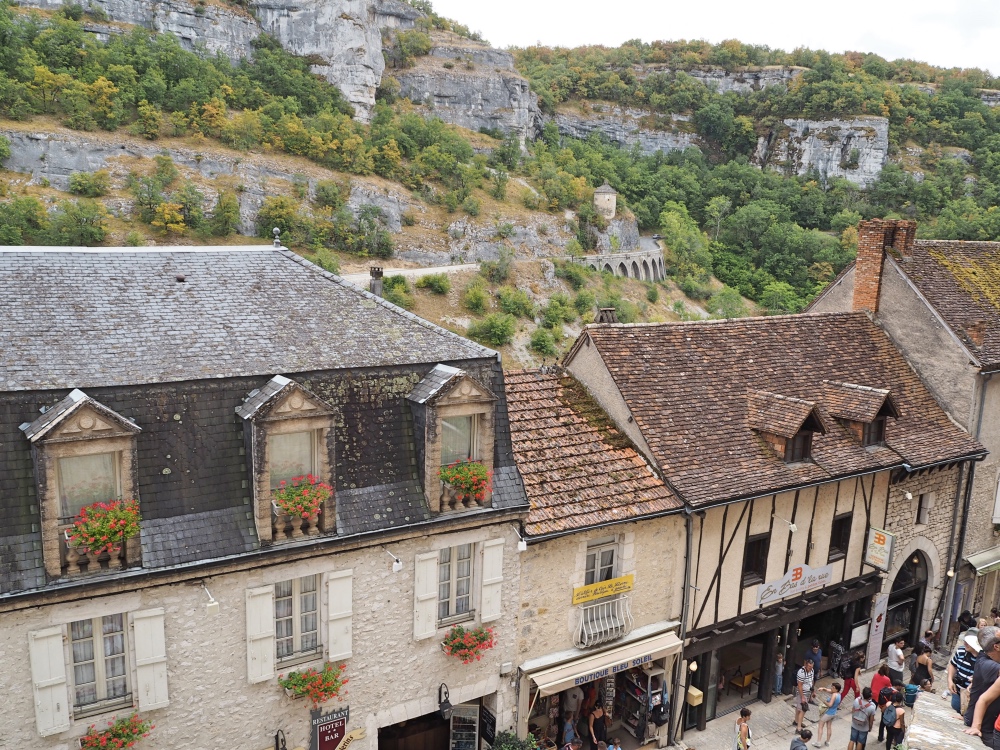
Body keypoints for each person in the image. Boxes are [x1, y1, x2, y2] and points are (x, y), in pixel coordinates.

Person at [966, 625, 1000, 746]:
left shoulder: (985, 658)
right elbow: (983, 699)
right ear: (996, 646)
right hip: (986, 729)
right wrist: (976, 726)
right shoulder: (989, 664)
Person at [949, 634, 981, 714]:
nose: (965, 643)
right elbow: (953, 665)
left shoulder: (983, 657)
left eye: (969, 642)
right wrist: (950, 680)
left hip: (971, 695)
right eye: (965, 641)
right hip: (957, 689)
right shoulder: (961, 651)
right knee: (956, 706)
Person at [814, 682, 841, 747]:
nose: (831, 688)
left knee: (821, 725)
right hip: (833, 713)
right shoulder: (838, 694)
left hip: (828, 713)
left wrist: (824, 701)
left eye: (833, 687)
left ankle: (818, 742)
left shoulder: (834, 695)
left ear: (836, 689)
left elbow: (830, 705)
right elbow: (828, 690)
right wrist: (823, 688)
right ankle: (828, 741)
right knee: (829, 727)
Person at [794, 658, 815, 732]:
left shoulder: (812, 670)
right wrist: (802, 696)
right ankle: (798, 728)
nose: (810, 668)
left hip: (808, 692)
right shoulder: (801, 672)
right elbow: (799, 685)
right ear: (806, 665)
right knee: (803, 709)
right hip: (802, 693)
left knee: (799, 708)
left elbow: (811, 680)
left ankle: (796, 721)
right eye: (809, 666)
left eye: (811, 666)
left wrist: (813, 691)